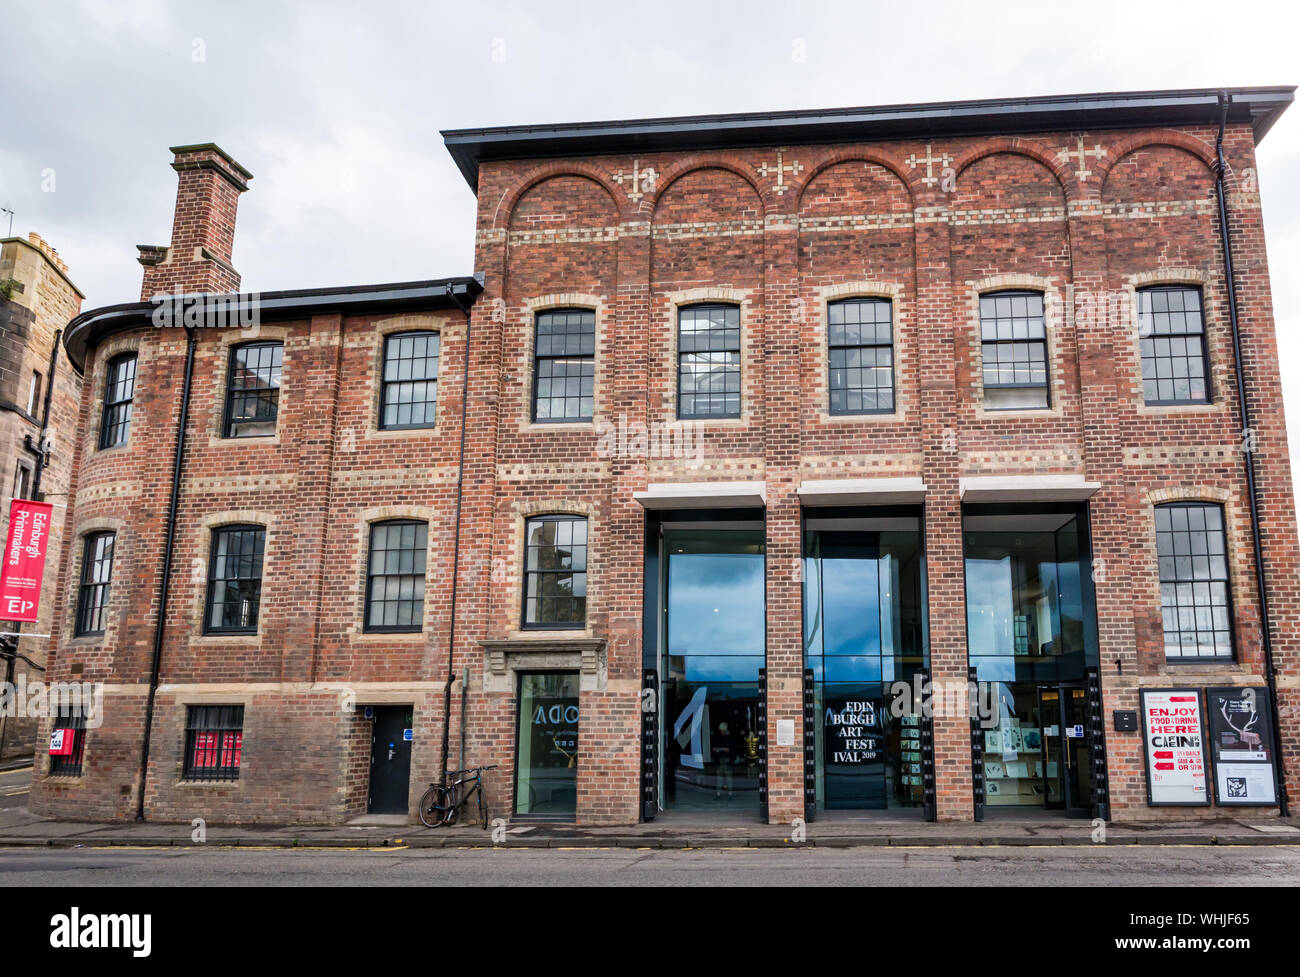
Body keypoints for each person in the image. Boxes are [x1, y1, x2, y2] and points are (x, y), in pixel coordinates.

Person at [712, 721, 738, 800]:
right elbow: (713, 748)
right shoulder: (718, 738)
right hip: (720, 760)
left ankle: (730, 794)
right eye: (721, 730)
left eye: (723, 730)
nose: (722, 731)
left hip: (727, 760)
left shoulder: (730, 738)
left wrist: (727, 751)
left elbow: (733, 750)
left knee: (728, 779)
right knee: (719, 779)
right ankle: (718, 794)